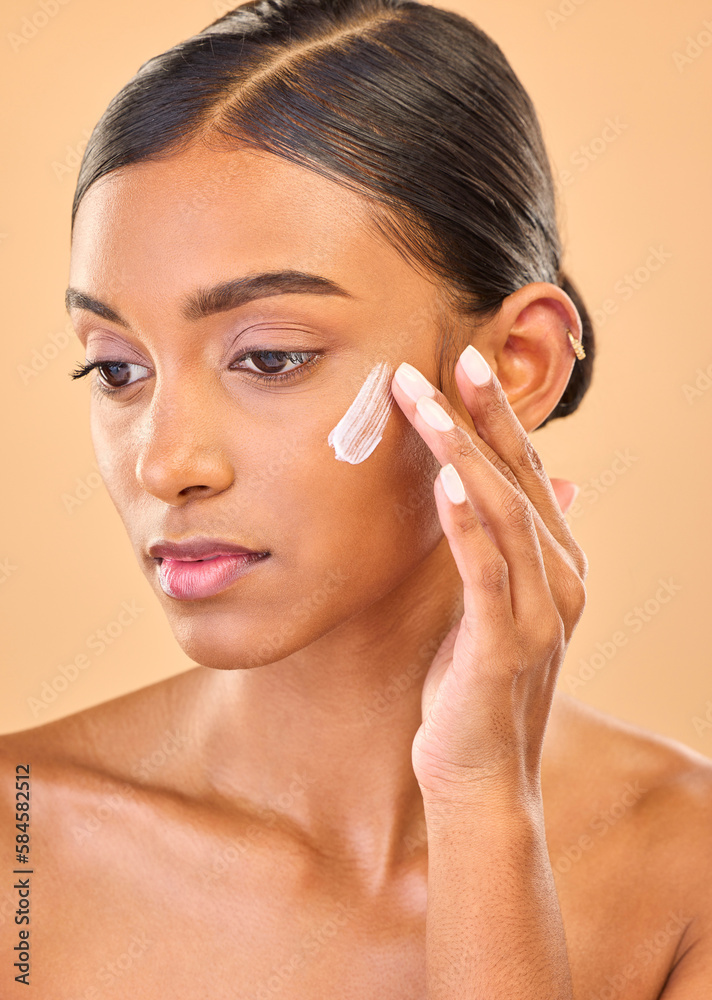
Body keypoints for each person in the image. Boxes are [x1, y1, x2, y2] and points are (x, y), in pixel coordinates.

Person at [2, 0, 711, 996]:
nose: (166, 464)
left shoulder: (687, 876)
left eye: (270, 356)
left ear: (514, 364)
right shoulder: (19, 845)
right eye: (116, 370)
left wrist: (482, 811)